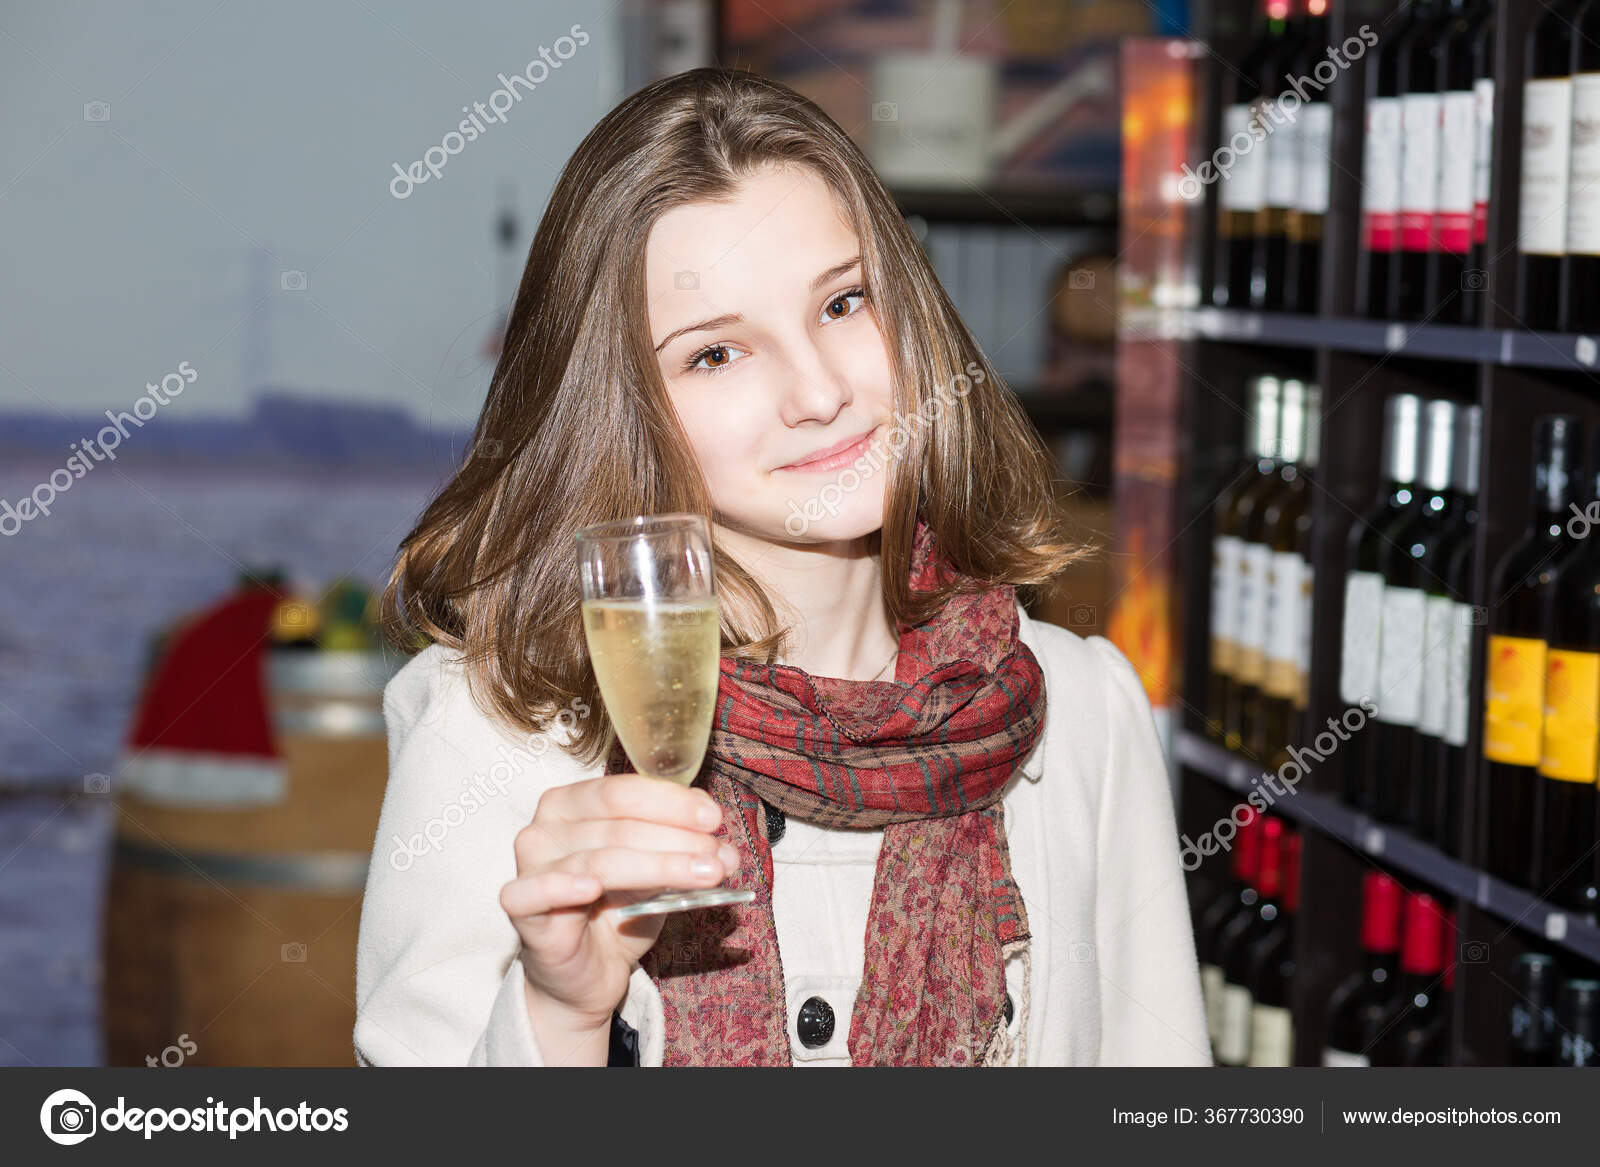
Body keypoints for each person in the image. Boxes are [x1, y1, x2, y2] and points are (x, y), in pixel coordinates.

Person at [354, 67, 1207, 1067]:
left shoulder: (1081, 709)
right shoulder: (494, 734)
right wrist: (558, 1014)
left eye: (844, 302)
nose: (818, 391)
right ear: (622, 409)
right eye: (716, 353)